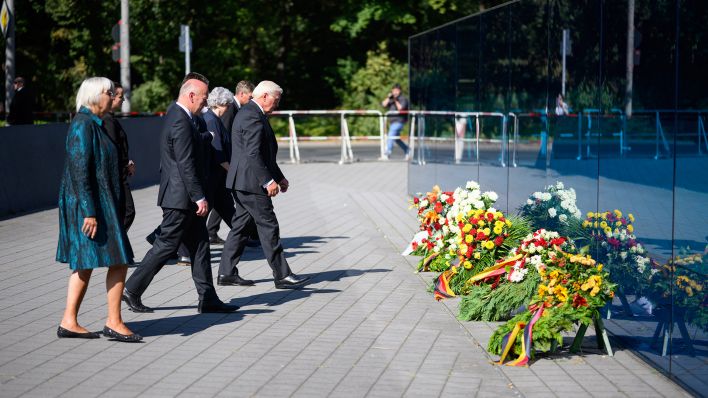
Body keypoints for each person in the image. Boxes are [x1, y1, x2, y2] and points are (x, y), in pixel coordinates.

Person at [123, 72, 239, 314]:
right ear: (191, 95)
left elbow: (192, 142)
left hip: (183, 195)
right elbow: (185, 162)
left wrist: (206, 136)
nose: (206, 103)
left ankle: (207, 298)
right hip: (180, 198)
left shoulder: (184, 116)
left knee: (200, 246)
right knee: (166, 245)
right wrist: (199, 196)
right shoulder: (179, 119)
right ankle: (132, 289)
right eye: (204, 98)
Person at [56, 77, 141, 342]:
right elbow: (79, 172)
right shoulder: (83, 125)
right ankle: (113, 321)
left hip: (96, 204)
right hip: (91, 207)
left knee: (86, 263)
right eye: (109, 92)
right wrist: (89, 212)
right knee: (118, 259)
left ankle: (69, 321)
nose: (113, 95)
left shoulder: (96, 124)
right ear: (94, 95)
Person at [218, 81, 310, 289]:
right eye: (276, 100)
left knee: (240, 228)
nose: (277, 104)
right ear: (265, 96)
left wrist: (279, 177)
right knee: (269, 226)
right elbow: (253, 153)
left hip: (244, 182)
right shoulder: (251, 114)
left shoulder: (252, 112)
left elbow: (265, 152)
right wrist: (268, 181)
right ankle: (282, 275)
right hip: (251, 183)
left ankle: (226, 272)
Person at [208, 80, 256, 245]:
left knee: (222, 201)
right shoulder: (226, 111)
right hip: (221, 165)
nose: (251, 100)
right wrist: (231, 166)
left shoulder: (232, 109)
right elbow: (223, 140)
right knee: (222, 200)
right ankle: (245, 234)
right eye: (250, 96)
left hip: (223, 165)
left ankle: (239, 234)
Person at [102, 82, 136, 230]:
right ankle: (116, 246)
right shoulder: (107, 120)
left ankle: (117, 247)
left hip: (120, 172)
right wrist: (126, 164)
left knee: (123, 212)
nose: (123, 100)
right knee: (128, 212)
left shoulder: (110, 118)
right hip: (117, 175)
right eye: (120, 96)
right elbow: (112, 148)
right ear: (111, 97)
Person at [381, 83, 409, 160]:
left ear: (400, 91)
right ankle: (407, 150)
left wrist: (395, 100)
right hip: (392, 121)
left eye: (396, 91)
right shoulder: (391, 98)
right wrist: (388, 97)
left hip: (399, 121)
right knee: (396, 138)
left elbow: (401, 109)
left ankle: (388, 152)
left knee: (391, 133)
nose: (395, 92)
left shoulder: (403, 99)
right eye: (393, 91)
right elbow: (383, 104)